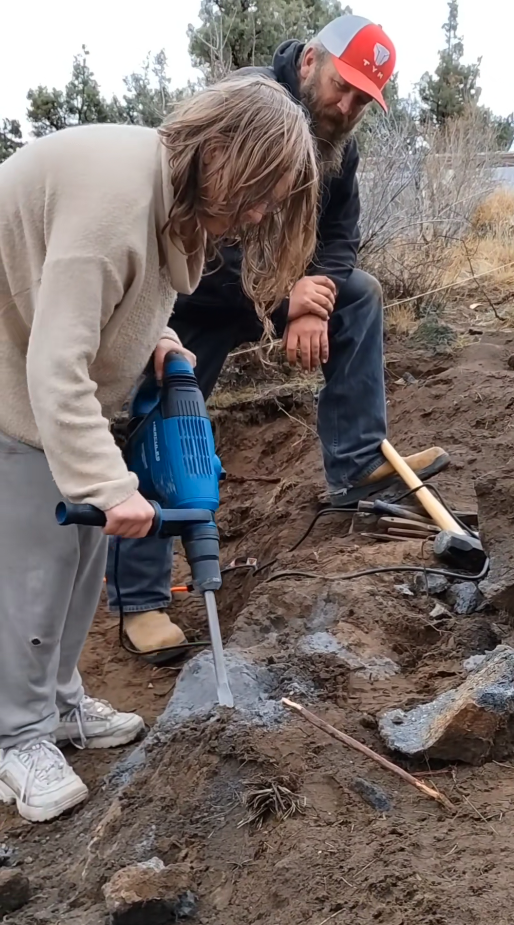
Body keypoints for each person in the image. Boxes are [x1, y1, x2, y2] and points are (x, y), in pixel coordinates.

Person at [0, 74, 319, 823]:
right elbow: (55, 361)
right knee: (35, 567)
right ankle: (15, 736)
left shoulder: (176, 201)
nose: (262, 210)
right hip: (11, 373)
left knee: (83, 561)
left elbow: (132, 302)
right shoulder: (114, 203)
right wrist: (111, 485)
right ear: (222, 150)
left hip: (39, 362)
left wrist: (160, 340)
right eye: (262, 189)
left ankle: (59, 703)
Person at [105, 14, 450, 661]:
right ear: (311, 60)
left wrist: (315, 298)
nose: (348, 106)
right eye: (343, 86)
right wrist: (278, 293)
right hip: (194, 291)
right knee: (166, 419)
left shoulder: (336, 137)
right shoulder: (247, 109)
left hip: (273, 287)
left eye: (362, 100)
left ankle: (355, 467)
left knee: (360, 296)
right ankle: (141, 597)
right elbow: (185, 229)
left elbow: (341, 229)